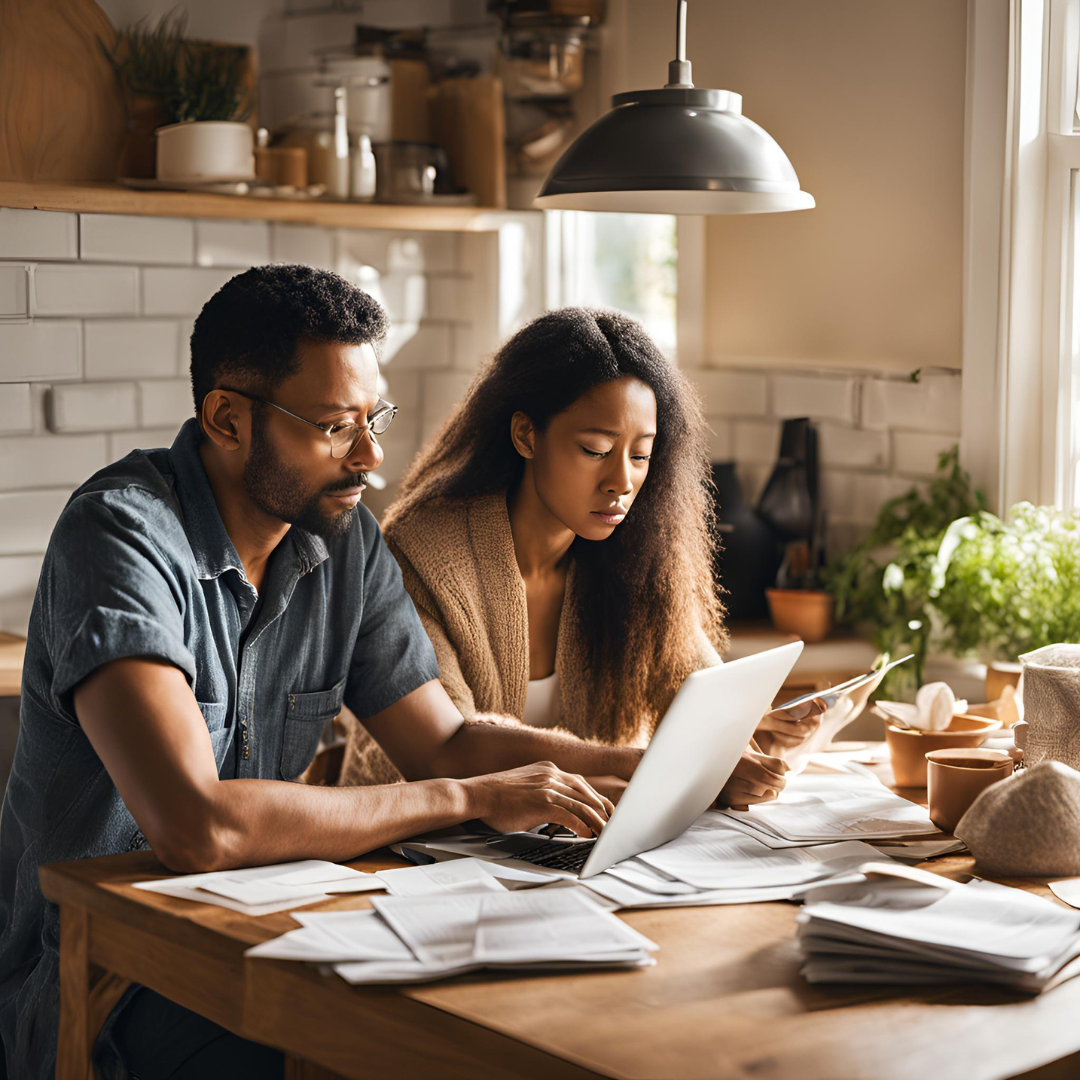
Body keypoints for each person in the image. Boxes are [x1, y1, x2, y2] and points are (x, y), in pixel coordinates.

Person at [0, 270, 655, 1080]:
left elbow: (445, 742)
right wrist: (472, 799)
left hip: (265, 934)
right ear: (226, 418)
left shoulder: (344, 542)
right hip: (103, 977)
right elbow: (198, 827)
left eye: (371, 419)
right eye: (335, 426)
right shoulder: (120, 539)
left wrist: (653, 767)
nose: (372, 456)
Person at [340, 308, 823, 801]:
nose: (622, 482)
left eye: (640, 455)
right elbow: (450, 749)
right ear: (527, 435)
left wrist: (748, 733)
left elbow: (698, 695)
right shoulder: (423, 553)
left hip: (574, 848)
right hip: (418, 854)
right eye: (595, 450)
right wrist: (657, 764)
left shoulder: (637, 557)